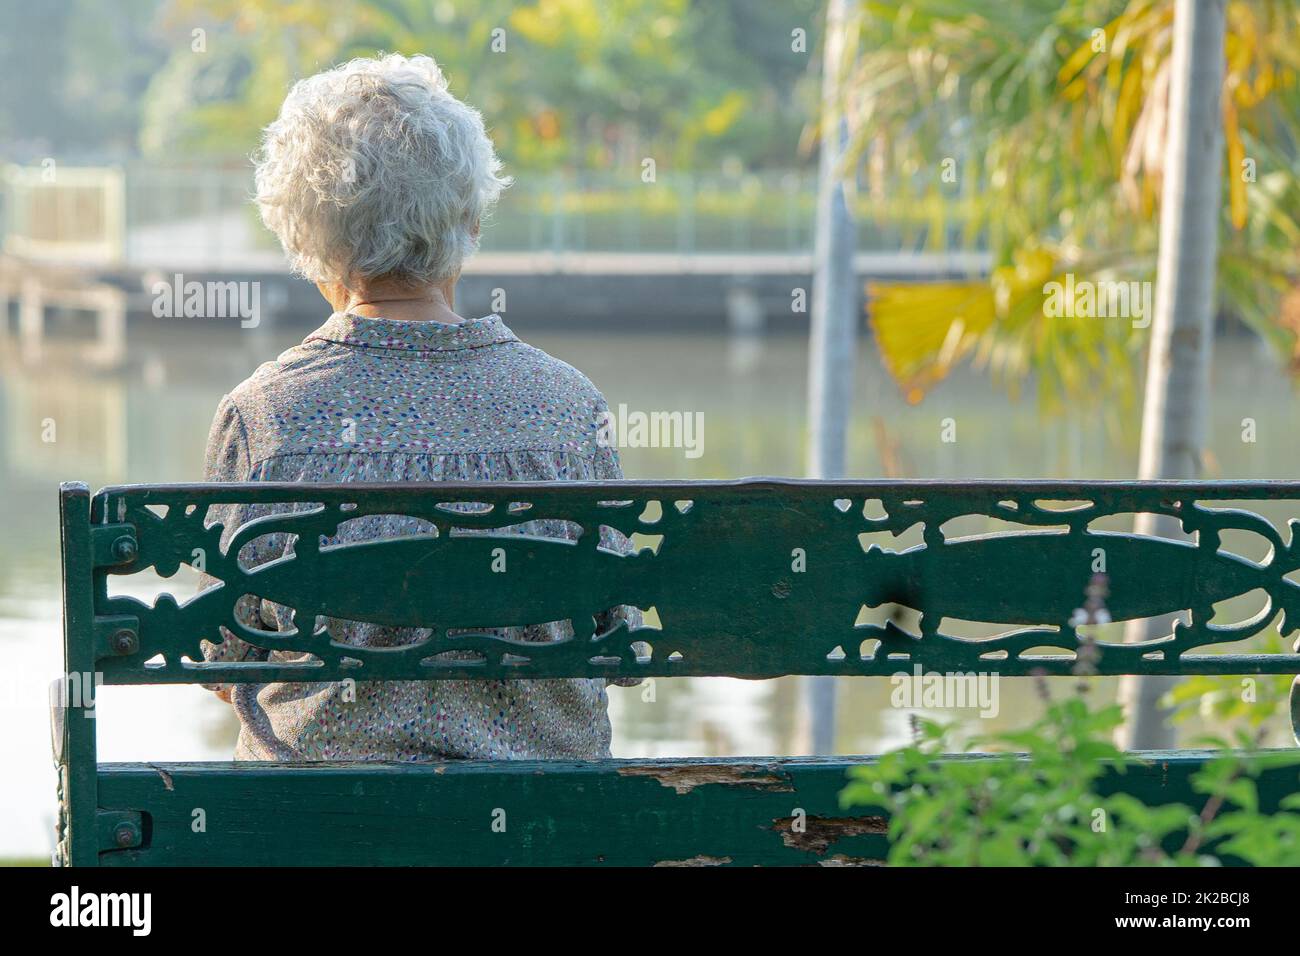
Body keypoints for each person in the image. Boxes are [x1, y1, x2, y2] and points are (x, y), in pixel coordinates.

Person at [200, 53, 636, 761]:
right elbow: (613, 641)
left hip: (314, 827)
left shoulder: (266, 419)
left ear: (304, 233)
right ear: (466, 214)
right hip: (547, 826)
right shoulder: (569, 407)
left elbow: (222, 655)